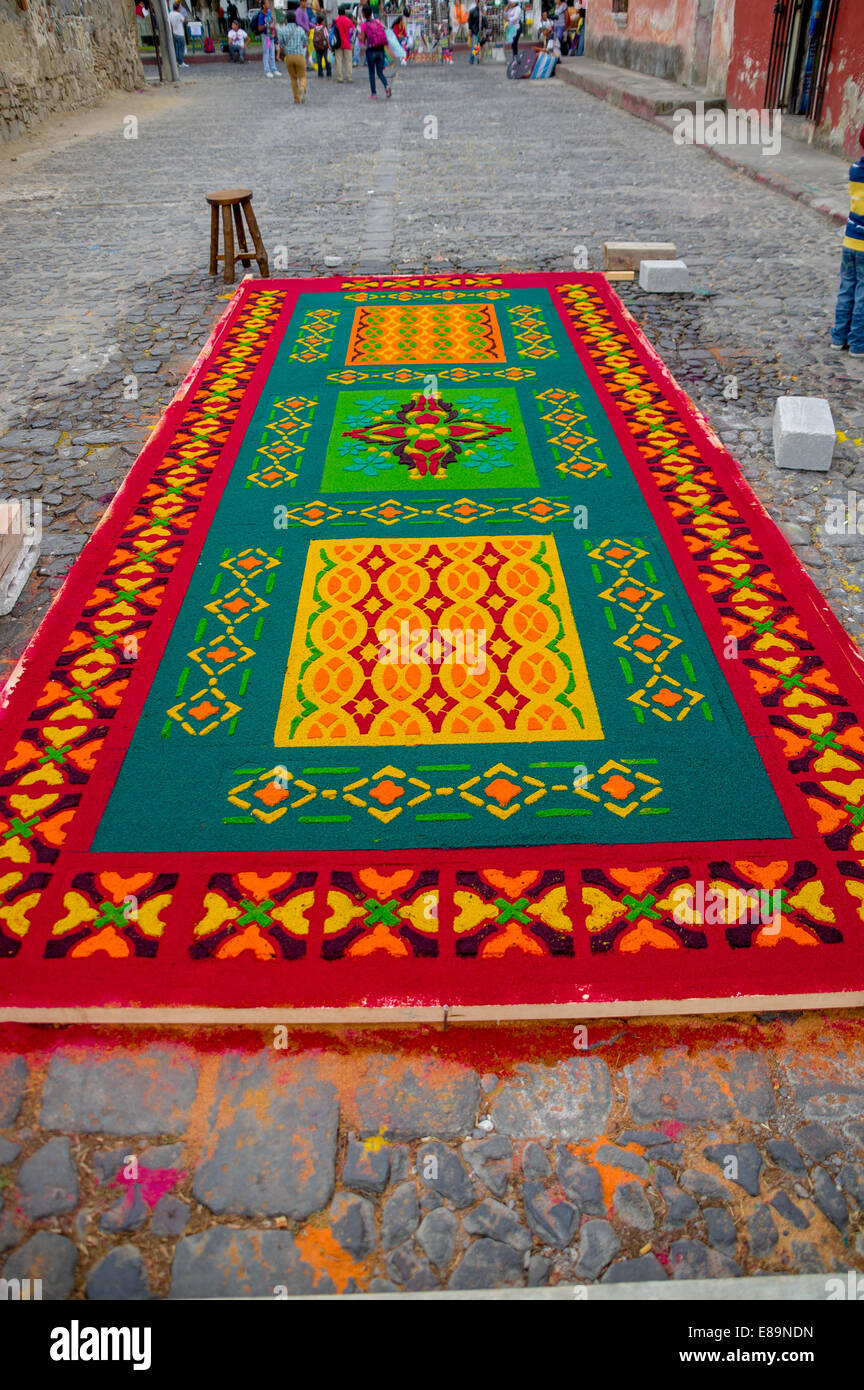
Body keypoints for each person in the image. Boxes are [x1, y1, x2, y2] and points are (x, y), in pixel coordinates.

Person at [832, 124, 864, 359]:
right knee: (862, 294)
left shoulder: (855, 169)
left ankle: (838, 337)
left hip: (851, 240)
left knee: (846, 290)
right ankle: (857, 343)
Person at [359, 4, 390, 100]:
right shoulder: (378, 22)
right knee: (380, 72)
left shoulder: (364, 25)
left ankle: (373, 93)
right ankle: (386, 85)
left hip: (371, 50)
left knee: (372, 73)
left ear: (363, 14)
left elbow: (363, 40)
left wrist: (357, 35)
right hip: (380, 49)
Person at [279, 10, 309, 100]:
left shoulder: (282, 30)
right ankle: (303, 87)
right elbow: (305, 42)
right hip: (299, 55)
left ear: (286, 20)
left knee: (293, 78)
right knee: (302, 76)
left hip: (289, 57)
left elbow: (281, 45)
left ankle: (296, 98)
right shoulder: (300, 30)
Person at [257, 0, 280, 75]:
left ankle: (273, 69)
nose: (268, 4)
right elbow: (260, 28)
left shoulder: (269, 12)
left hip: (271, 35)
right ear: (263, 5)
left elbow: (271, 23)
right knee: (266, 53)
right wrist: (266, 25)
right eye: (267, 3)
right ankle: (267, 70)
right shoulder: (261, 15)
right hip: (266, 36)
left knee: (272, 52)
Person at [332, 6, 354, 81]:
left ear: (338, 12)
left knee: (338, 61)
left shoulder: (335, 21)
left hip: (338, 44)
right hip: (347, 44)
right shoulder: (349, 21)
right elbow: (352, 32)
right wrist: (349, 39)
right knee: (348, 61)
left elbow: (332, 31)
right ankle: (349, 77)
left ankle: (340, 77)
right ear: (345, 12)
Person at [169, 2, 190, 67]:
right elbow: (185, 21)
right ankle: (181, 62)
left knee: (177, 49)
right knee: (181, 48)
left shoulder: (170, 14)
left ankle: (177, 61)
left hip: (174, 33)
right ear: (178, 8)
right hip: (180, 34)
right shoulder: (179, 15)